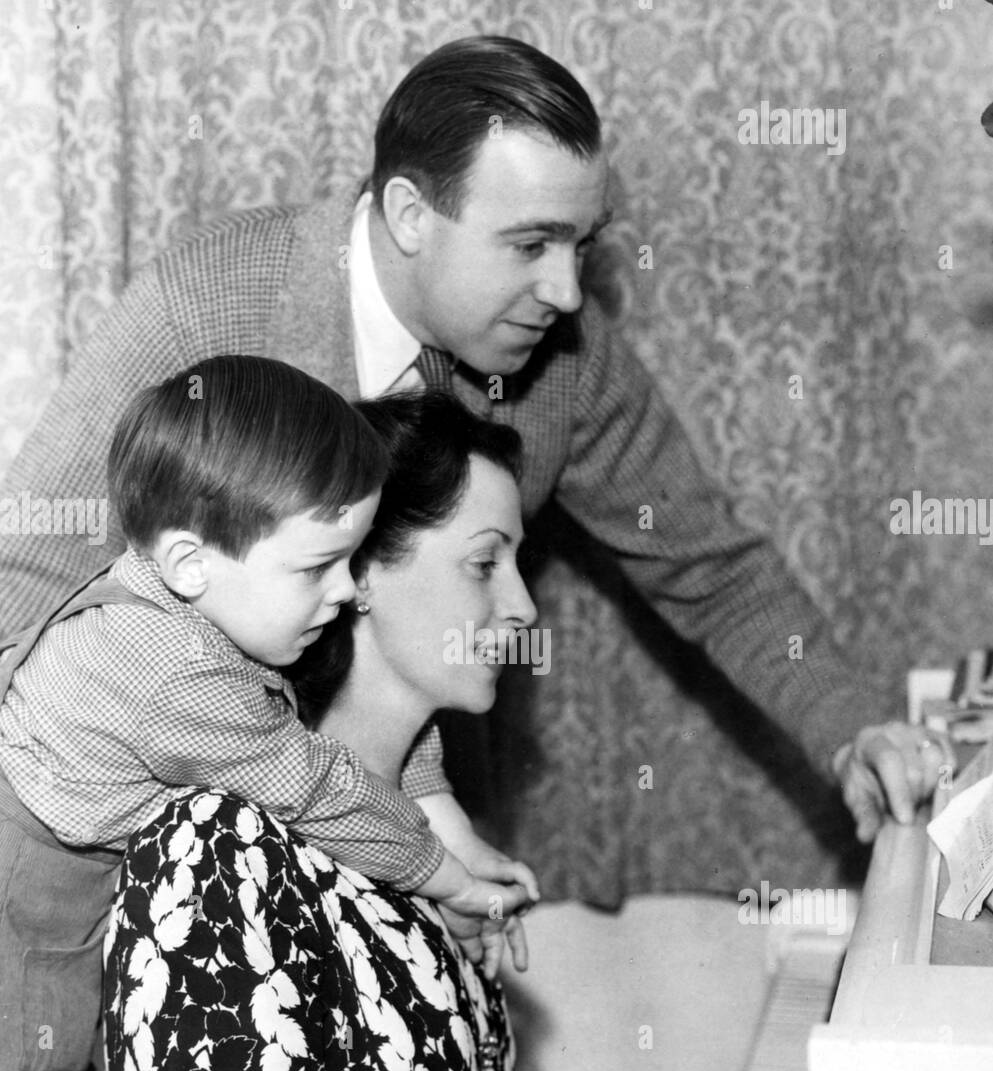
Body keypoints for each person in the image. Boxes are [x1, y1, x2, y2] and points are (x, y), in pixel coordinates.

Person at [0, 34, 949, 855]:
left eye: (583, 243)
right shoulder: (207, 304)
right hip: (163, 859)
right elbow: (29, 577)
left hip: (407, 832)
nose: (569, 292)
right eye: (530, 244)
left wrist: (850, 727)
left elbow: (708, 564)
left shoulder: (561, 358)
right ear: (412, 214)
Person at [78, 390, 793, 1071]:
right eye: (484, 564)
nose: (523, 607)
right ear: (358, 572)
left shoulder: (415, 841)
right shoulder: (221, 845)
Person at [0, 357, 532, 1071]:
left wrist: (440, 819)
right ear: (189, 563)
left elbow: (339, 751)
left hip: (66, 919)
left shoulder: (204, 614)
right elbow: (314, 782)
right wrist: (443, 873)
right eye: (324, 566)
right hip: (21, 928)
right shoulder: (178, 681)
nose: (341, 592)